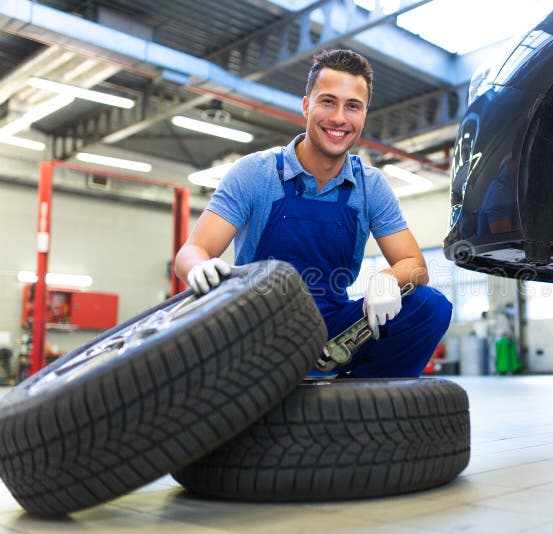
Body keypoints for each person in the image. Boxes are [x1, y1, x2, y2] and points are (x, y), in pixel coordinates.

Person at [174, 49, 452, 378]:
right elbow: (191, 252)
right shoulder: (256, 173)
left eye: (353, 106)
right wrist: (199, 267)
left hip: (331, 335)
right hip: (256, 331)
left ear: (364, 115)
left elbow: (416, 267)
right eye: (327, 101)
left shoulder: (370, 186)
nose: (338, 118)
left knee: (430, 307)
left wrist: (387, 280)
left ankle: (364, 407)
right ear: (307, 105)